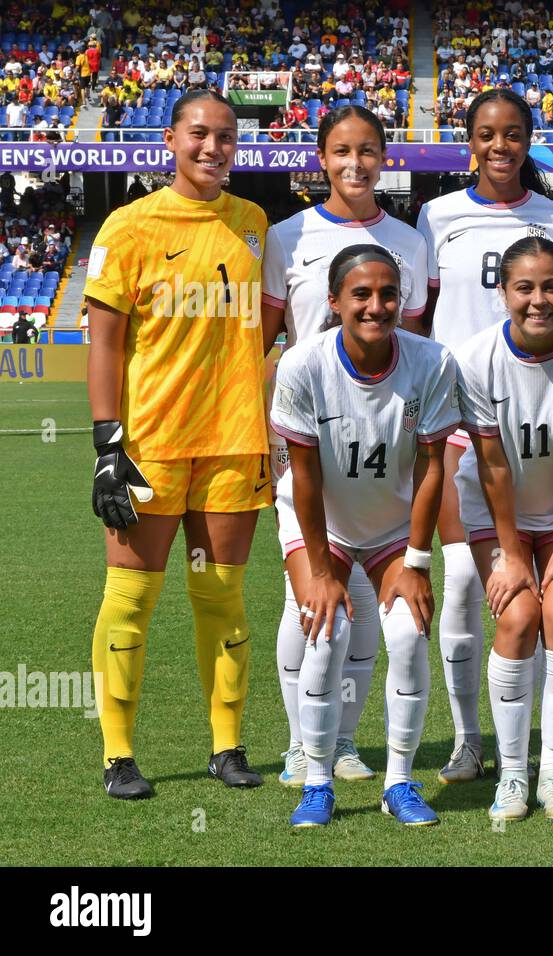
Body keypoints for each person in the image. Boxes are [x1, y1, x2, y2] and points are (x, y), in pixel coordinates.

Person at [85, 90, 269, 799]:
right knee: (130, 599)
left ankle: (227, 746)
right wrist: (108, 444)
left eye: (225, 137)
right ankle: (119, 754)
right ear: (170, 139)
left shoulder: (253, 223)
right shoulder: (129, 226)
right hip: (152, 446)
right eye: (199, 133)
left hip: (232, 445)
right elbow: (103, 343)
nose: (213, 147)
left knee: (220, 597)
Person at [261, 105, 431, 787]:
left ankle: (348, 740)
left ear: (384, 156)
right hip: (304, 440)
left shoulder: (409, 242)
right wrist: (264, 442)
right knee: (308, 602)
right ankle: (304, 745)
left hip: (382, 448)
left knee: (363, 608)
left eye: (367, 150)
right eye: (340, 150)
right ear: (321, 157)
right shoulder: (286, 235)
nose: (354, 163)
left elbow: (411, 349)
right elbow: (262, 342)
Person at [416, 88, 553, 784]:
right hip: (461, 422)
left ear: (528, 140)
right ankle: (468, 737)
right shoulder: (436, 215)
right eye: (487, 134)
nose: (500, 147)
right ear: (470, 140)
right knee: (463, 582)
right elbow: (422, 319)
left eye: (513, 134)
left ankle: (544, 747)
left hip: (544, 418)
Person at [270, 245, 460, 827]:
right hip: (321, 521)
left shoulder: (432, 361)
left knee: (405, 637)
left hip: (393, 526)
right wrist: (322, 573)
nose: (376, 306)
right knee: (326, 631)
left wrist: (418, 561)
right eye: (361, 294)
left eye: (387, 294)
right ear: (334, 301)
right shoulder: (303, 365)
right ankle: (317, 781)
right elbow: (302, 475)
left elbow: (433, 468)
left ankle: (399, 783)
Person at [456, 236, 553, 822]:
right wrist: (512, 554)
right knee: (520, 616)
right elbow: (492, 463)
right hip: (494, 511)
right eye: (524, 287)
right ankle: (513, 774)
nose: (539, 300)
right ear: (503, 293)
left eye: (551, 286)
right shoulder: (475, 359)